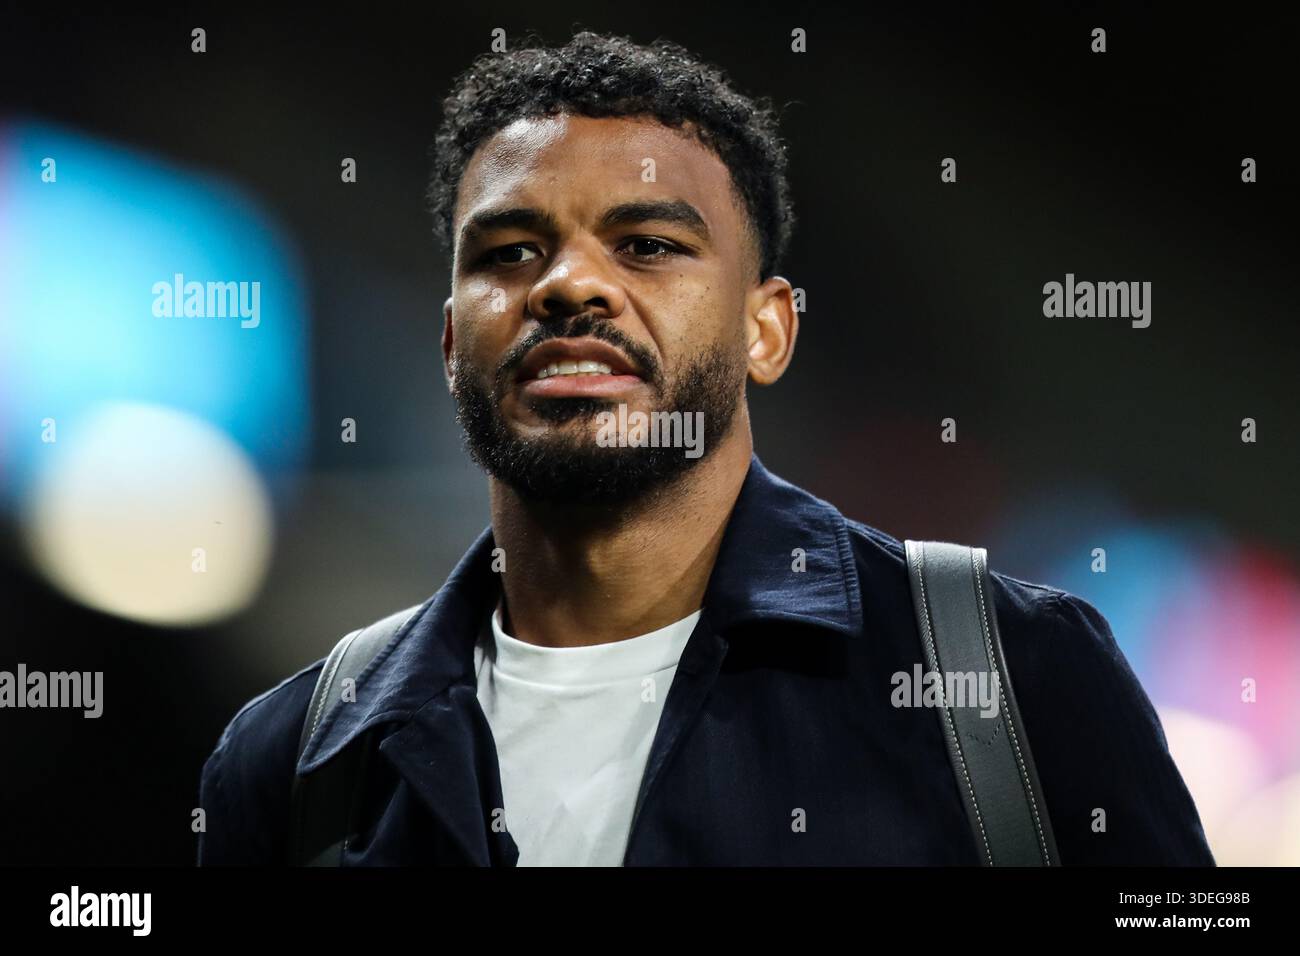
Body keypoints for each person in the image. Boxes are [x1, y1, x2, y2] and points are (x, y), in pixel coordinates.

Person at [197, 31, 1214, 866]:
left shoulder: (1009, 672)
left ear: (765, 330)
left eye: (647, 245)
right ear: (453, 338)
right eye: (510, 252)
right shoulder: (293, 756)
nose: (567, 286)